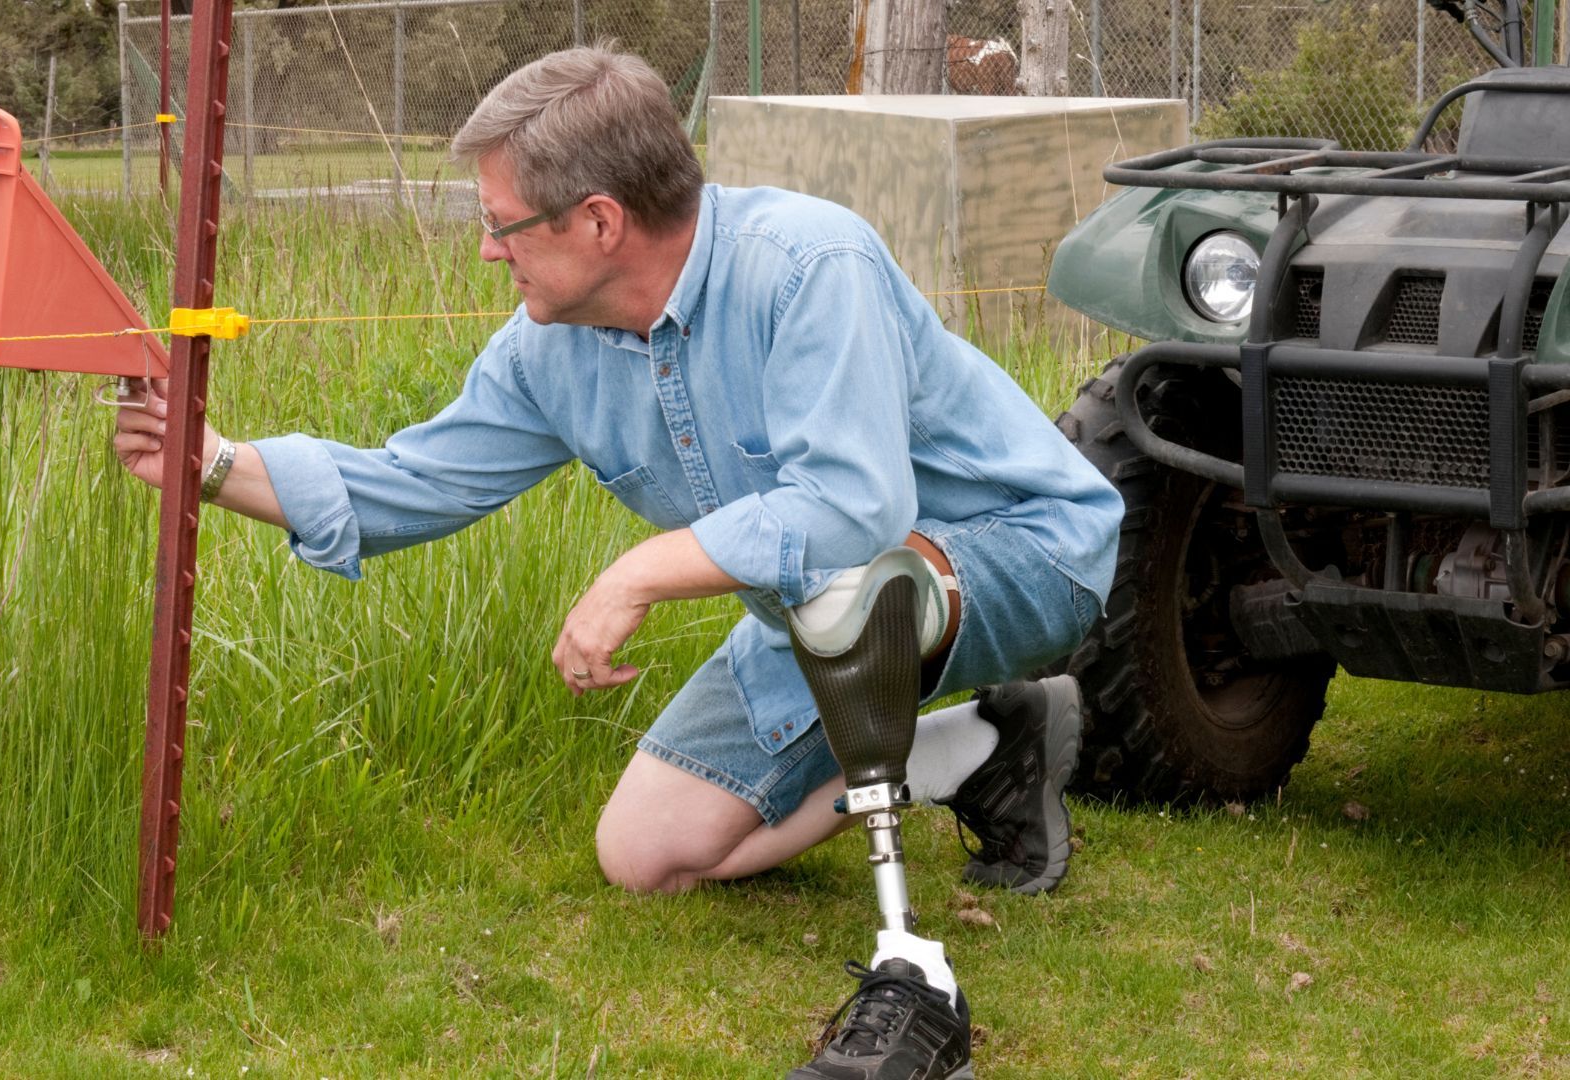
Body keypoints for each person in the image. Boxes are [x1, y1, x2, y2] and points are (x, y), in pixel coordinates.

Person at [114, 45, 1121, 1080]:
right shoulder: (547, 349)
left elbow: (850, 509)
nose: (487, 252)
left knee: (863, 589)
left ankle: (912, 971)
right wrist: (211, 463)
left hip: (1021, 549)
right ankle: (982, 744)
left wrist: (635, 573)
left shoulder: (810, 264)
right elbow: (412, 483)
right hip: (815, 608)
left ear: (598, 221)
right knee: (646, 853)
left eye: (501, 224)